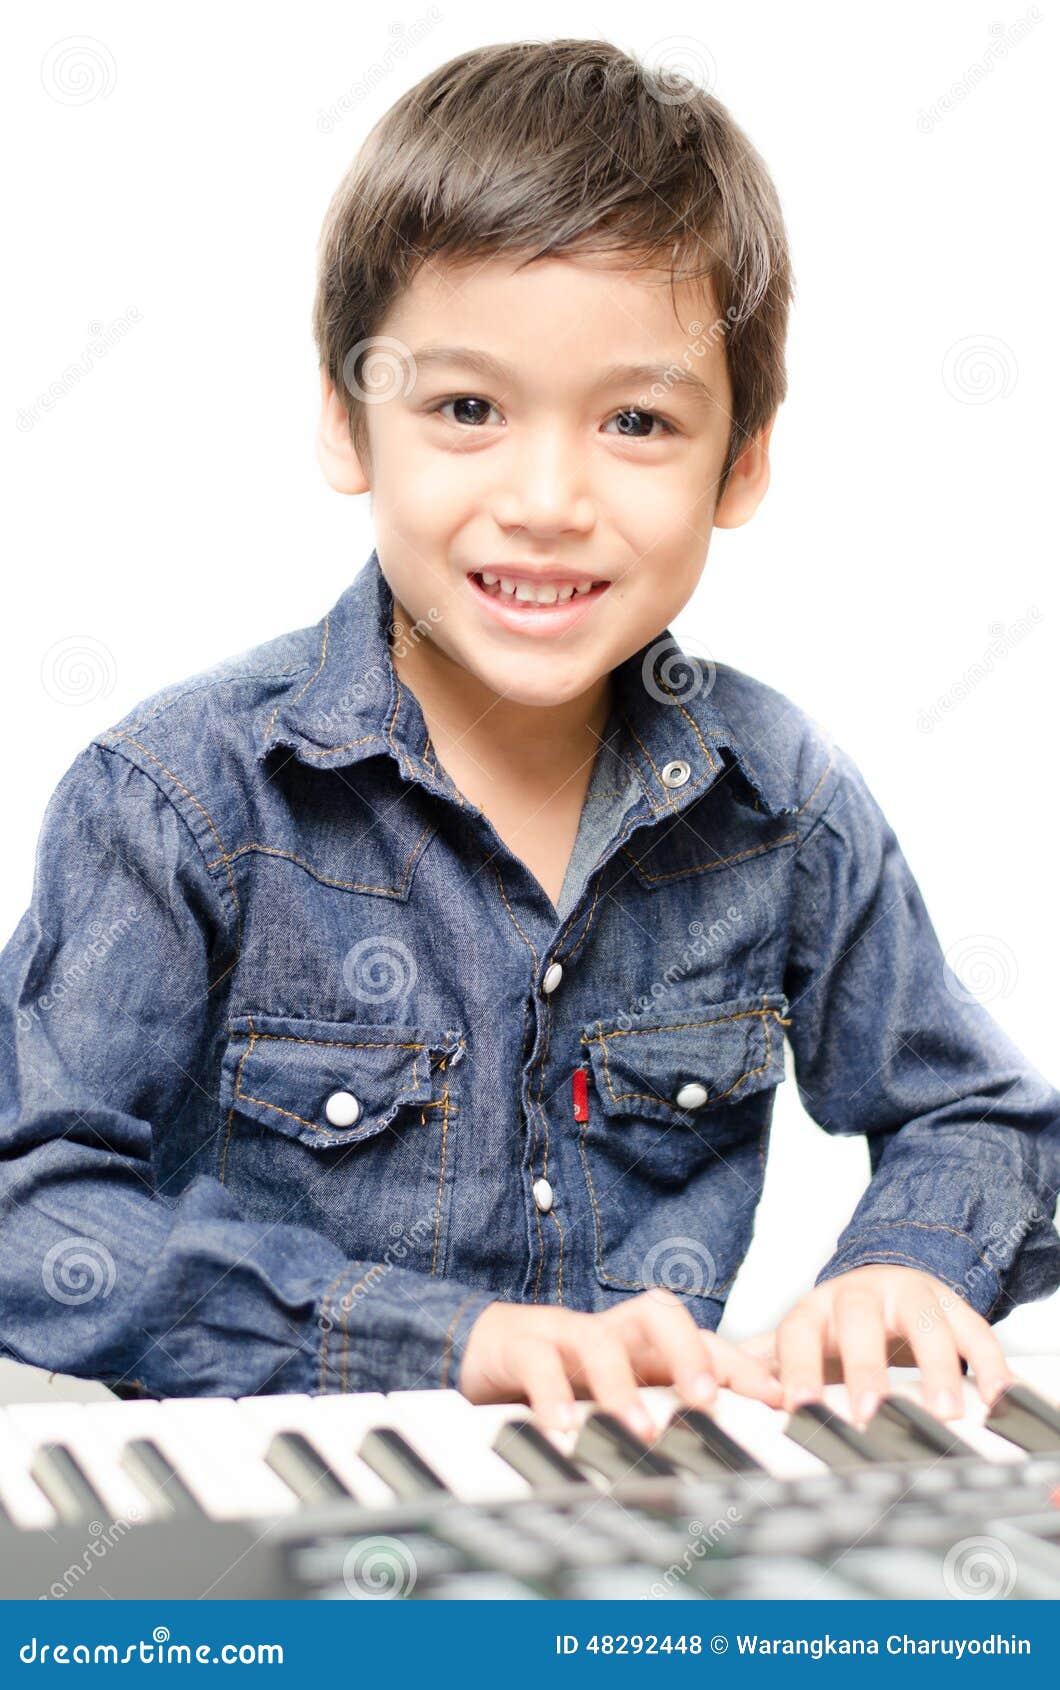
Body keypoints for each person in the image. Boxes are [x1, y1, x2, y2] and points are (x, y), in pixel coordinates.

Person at [2, 40, 1057, 1439]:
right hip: (278, 1524)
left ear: (741, 460)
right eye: (467, 409)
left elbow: (981, 1116)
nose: (547, 497)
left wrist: (902, 1263)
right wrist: (450, 1339)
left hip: (623, 1529)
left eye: (636, 419)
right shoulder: (180, 797)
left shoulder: (778, 800)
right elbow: (30, 1211)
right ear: (345, 418)